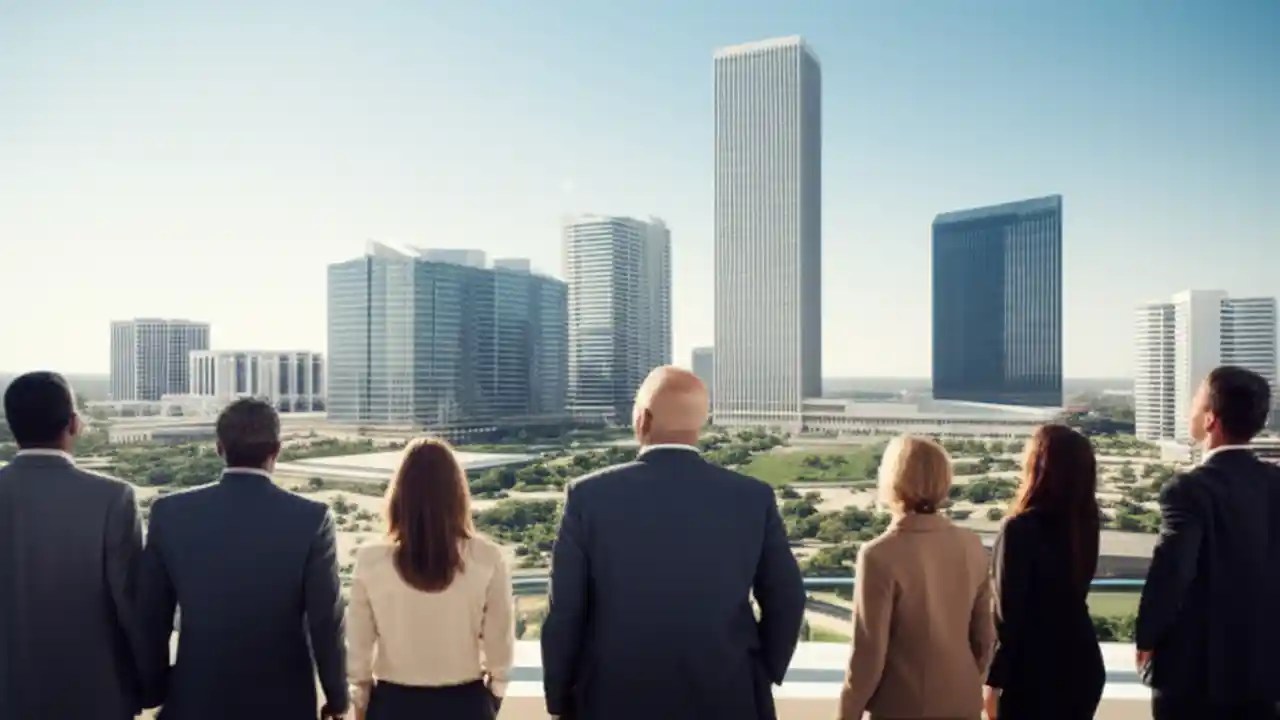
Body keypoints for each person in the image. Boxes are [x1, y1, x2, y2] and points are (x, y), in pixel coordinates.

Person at [540, 366, 805, 720]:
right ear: (701, 422)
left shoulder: (588, 497)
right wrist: (760, 672)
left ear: (642, 419)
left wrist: (559, 701)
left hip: (612, 701)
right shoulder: (752, 497)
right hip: (729, 696)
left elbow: (565, 613)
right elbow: (788, 599)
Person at [137, 398, 348, 719]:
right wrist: (336, 696)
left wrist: (153, 689)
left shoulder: (170, 514)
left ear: (219, 448)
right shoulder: (312, 519)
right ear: (277, 450)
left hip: (195, 699)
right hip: (284, 704)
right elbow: (325, 622)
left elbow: (152, 616)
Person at [0, 371, 147, 719]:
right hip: (97, 697)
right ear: (74, 424)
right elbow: (132, 605)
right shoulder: (113, 498)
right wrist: (151, 683)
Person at [1136, 366, 1280, 719]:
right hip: (1267, 672)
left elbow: (1172, 572)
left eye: (1195, 404)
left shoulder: (1188, 490)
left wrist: (1147, 639)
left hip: (1196, 677)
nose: (1190, 412)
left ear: (1211, 420)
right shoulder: (1275, 483)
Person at [347, 438, 514, 720]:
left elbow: (358, 650)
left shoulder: (370, 560)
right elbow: (501, 647)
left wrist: (362, 704)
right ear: (458, 494)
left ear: (400, 495)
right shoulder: (488, 558)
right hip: (465, 704)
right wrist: (493, 695)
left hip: (393, 705)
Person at [838, 435, 994, 720]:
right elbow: (984, 638)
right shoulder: (971, 545)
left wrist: (847, 713)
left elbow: (868, 654)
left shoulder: (878, 554)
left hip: (903, 706)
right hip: (964, 701)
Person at [983, 425, 1104, 719]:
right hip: (1082, 662)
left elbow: (1007, 615)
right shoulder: (1085, 523)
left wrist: (993, 680)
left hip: (1033, 672)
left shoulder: (1019, 529)